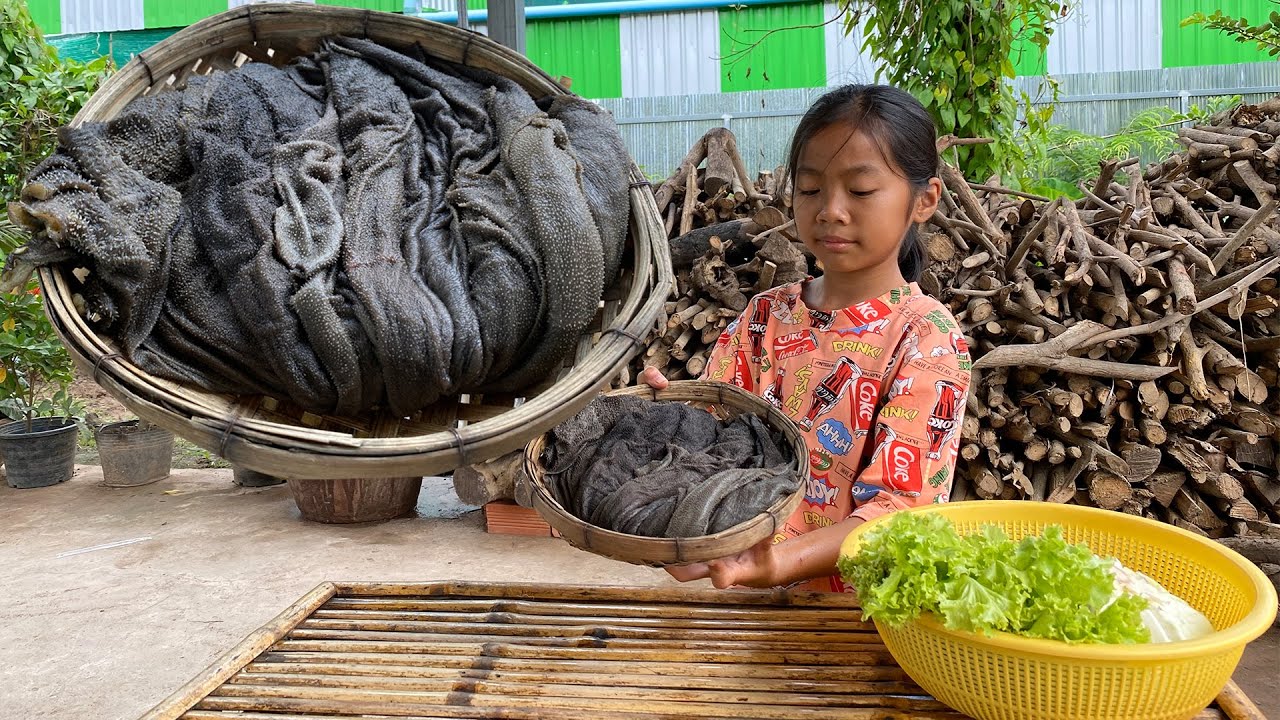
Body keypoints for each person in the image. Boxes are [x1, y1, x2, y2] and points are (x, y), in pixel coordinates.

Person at [639, 84, 971, 592]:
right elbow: (711, 439)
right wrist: (666, 419)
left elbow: (900, 513)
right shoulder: (766, 316)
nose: (830, 210)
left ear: (924, 200)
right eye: (811, 189)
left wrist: (778, 563)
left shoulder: (926, 339)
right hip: (741, 611)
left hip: (850, 619)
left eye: (861, 191)